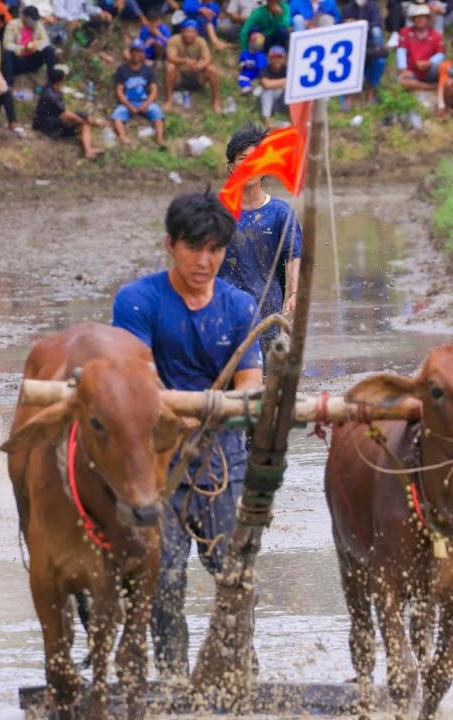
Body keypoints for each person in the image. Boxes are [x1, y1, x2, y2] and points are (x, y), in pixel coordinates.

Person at [111, 191, 263, 681]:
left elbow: (251, 382)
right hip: (157, 460)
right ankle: (174, 678)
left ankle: (240, 670)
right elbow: (139, 380)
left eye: (216, 249)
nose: (205, 261)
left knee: (234, 575)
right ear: (170, 245)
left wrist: (224, 409)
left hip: (224, 457)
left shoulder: (239, 306)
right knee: (165, 578)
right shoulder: (138, 300)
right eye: (194, 248)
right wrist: (180, 416)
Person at [220, 125, 302, 353]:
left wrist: (293, 294)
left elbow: (293, 256)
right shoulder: (217, 211)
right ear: (232, 167)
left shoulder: (279, 212)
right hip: (222, 306)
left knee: (264, 375)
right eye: (242, 158)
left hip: (266, 307)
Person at [34, 66, 106, 158]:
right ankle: (94, 122)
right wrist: (80, 120)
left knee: (84, 124)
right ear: (60, 80)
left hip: (57, 125)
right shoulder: (50, 94)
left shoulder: (53, 88)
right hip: (47, 125)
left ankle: (89, 150)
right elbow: (66, 114)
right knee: (74, 117)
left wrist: (82, 121)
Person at [111, 39, 166, 144]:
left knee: (158, 114)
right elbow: (119, 91)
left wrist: (146, 104)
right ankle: (123, 137)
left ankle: (159, 139)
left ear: (143, 53)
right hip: (128, 102)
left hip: (144, 101)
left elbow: (154, 90)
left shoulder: (148, 70)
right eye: (134, 51)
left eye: (139, 51)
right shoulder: (122, 69)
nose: (136, 54)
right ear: (130, 52)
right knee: (117, 116)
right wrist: (129, 106)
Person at [166, 20, 223, 112]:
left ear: (197, 33)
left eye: (192, 32)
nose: (189, 34)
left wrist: (200, 65)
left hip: (196, 75)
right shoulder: (174, 40)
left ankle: (215, 101)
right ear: (182, 31)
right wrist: (185, 61)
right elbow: (170, 58)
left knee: (212, 69)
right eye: (187, 31)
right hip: (179, 76)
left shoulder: (201, 41)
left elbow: (208, 58)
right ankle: (169, 100)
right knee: (170, 67)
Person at [342, 0, 387, 106]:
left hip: (370, 46)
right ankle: (347, 96)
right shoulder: (348, 7)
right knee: (348, 62)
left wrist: (360, 24)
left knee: (379, 61)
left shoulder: (373, 6)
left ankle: (370, 92)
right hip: (352, 46)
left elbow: (377, 23)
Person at [3, 6, 58, 86]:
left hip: (32, 59)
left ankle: (52, 79)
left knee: (49, 50)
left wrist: (36, 46)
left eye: (35, 19)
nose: (33, 21)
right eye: (31, 19)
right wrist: (23, 48)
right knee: (8, 54)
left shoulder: (38, 25)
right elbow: (7, 44)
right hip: (18, 59)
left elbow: (46, 41)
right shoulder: (13, 24)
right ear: (24, 17)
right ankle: (8, 83)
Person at [397, 3, 444, 92]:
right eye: (417, 17)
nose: (420, 20)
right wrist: (403, 69)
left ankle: (421, 85)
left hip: (429, 70)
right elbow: (401, 51)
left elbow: (440, 54)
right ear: (413, 19)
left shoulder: (436, 35)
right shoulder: (405, 32)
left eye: (423, 17)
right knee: (401, 80)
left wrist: (429, 62)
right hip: (412, 70)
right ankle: (430, 87)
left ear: (428, 19)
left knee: (441, 66)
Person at [257, 44, 288, 126]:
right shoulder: (264, 70)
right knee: (267, 91)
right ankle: (266, 120)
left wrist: (273, 84)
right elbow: (266, 84)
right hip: (271, 104)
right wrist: (285, 82)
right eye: (274, 57)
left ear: (284, 59)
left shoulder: (288, 69)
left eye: (280, 57)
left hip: (283, 102)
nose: (277, 60)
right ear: (270, 58)